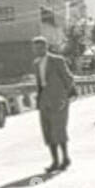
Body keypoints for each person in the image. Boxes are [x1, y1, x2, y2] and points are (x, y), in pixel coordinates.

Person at [33, 35, 78, 172]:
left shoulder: (57, 60)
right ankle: (55, 161)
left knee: (58, 129)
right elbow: (39, 83)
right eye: (36, 48)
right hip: (44, 101)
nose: (38, 50)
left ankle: (65, 158)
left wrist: (67, 94)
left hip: (58, 100)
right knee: (47, 131)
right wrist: (38, 99)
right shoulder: (36, 63)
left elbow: (68, 78)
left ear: (46, 47)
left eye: (41, 47)